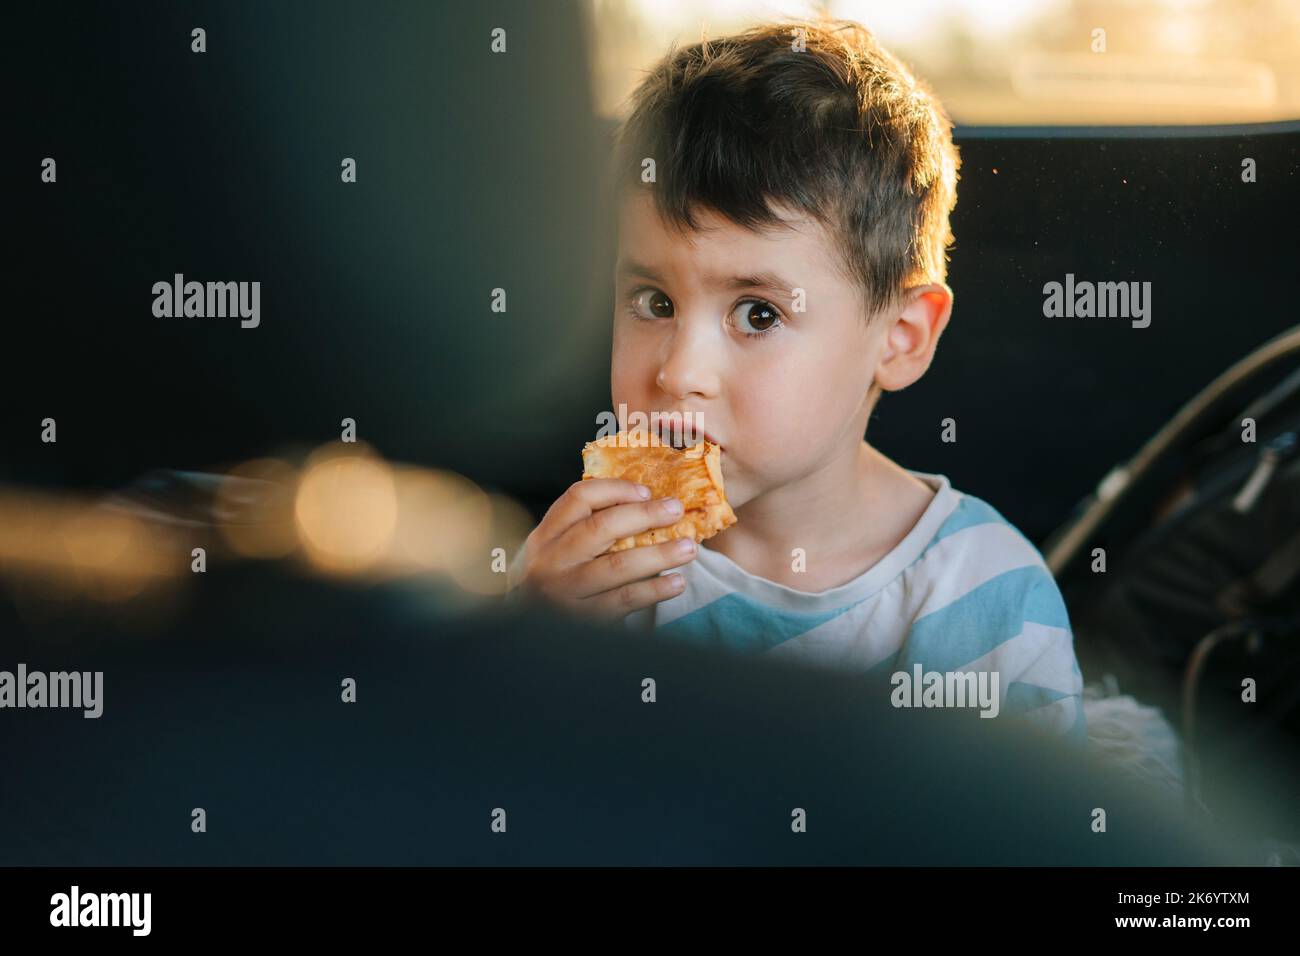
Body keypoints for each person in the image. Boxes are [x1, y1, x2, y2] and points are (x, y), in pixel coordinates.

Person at [509, 19, 1085, 745]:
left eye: (758, 313)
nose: (679, 371)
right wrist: (528, 644)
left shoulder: (987, 597)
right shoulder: (592, 575)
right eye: (655, 302)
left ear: (901, 338)